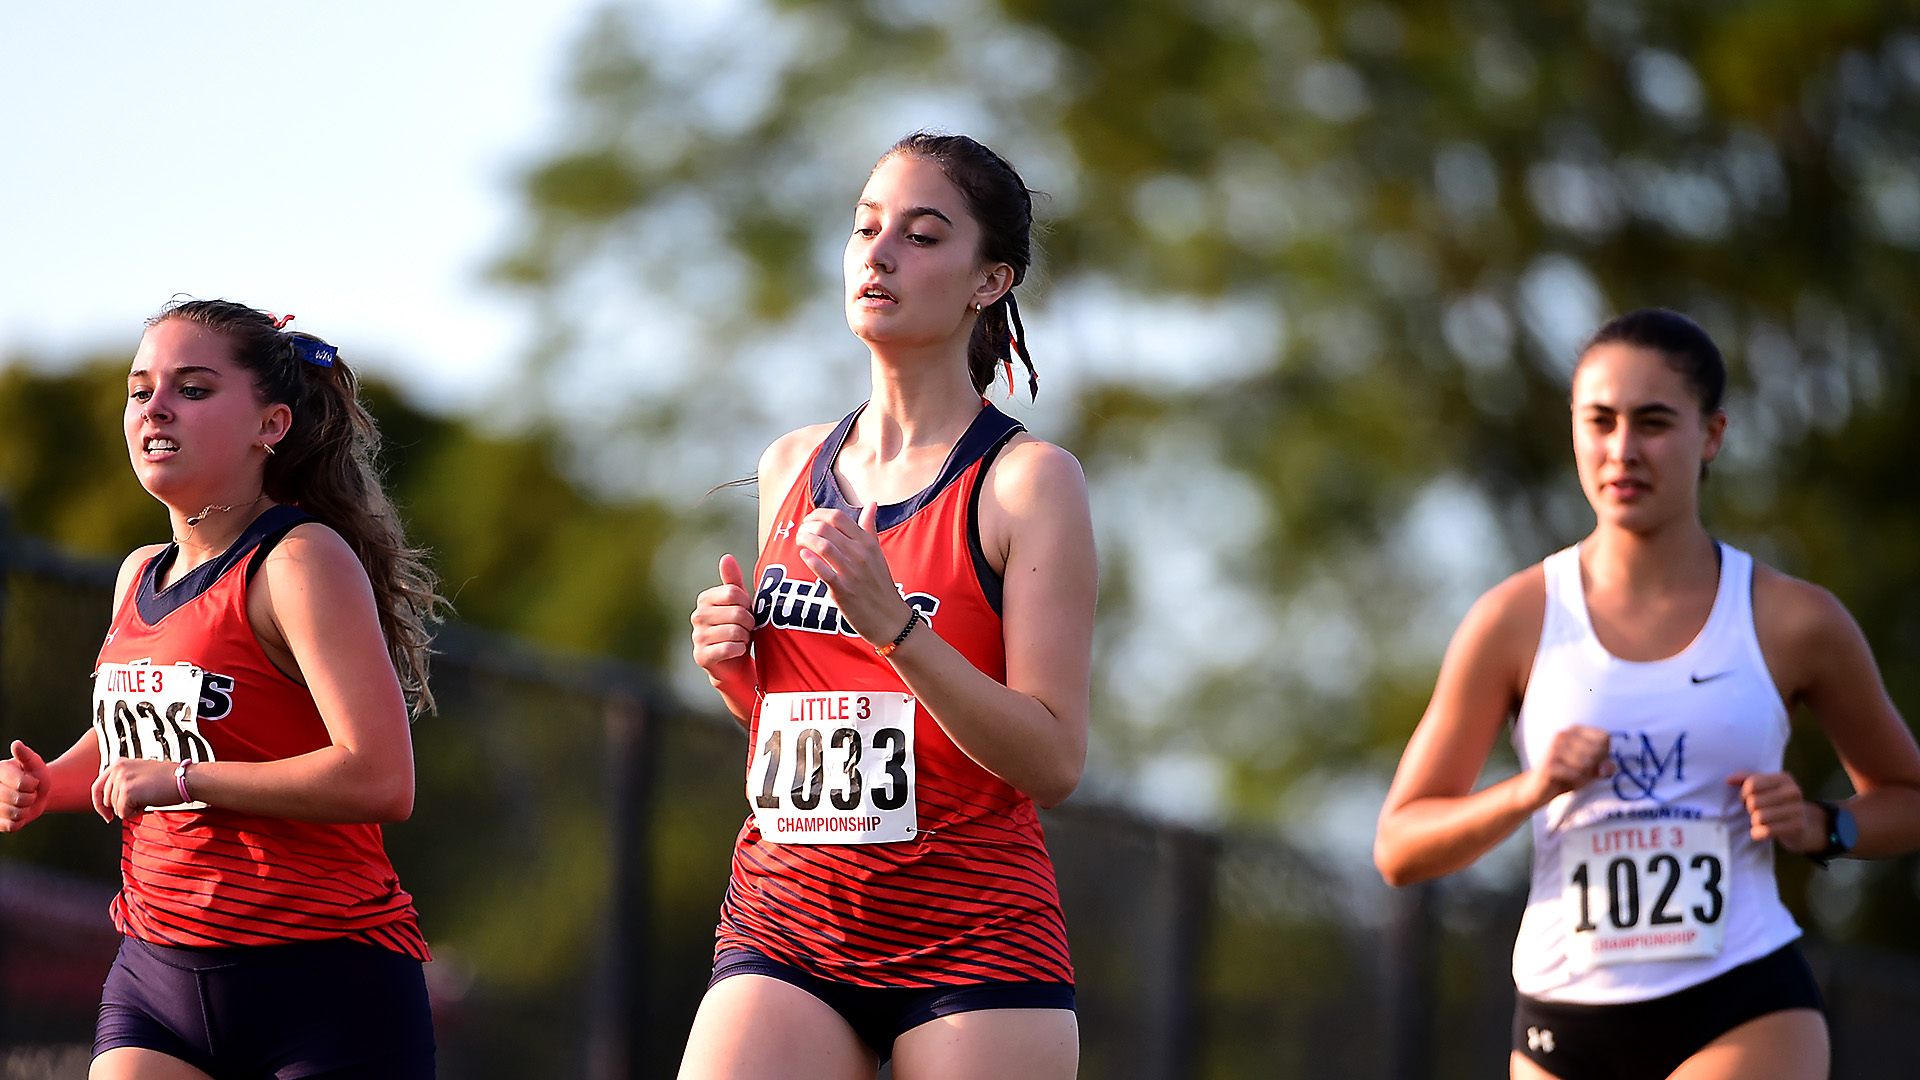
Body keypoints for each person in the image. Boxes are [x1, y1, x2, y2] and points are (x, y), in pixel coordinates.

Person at [1373, 308, 1920, 1080]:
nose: (1623, 450)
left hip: (1742, 999)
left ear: (1714, 436)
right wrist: (1531, 789)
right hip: (1563, 1018)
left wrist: (1828, 827)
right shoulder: (1513, 619)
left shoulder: (1795, 619)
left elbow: (1907, 795)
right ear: (1575, 429)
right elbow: (1400, 847)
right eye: (1600, 421)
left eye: (1655, 422)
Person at [684, 132, 1095, 1080]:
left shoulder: (1029, 483)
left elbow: (1054, 757)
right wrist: (737, 672)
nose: (879, 253)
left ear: (989, 280)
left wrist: (897, 629)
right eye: (867, 228)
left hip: (974, 947)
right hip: (785, 925)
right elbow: (816, 732)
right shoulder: (792, 465)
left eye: (920, 235)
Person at [0, 300, 440, 1080]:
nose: (156, 408)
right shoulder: (138, 573)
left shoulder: (300, 559)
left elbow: (380, 775)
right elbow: (138, 744)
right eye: (140, 391)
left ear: (270, 425)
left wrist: (182, 782)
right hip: (157, 976)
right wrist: (45, 785)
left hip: (324, 984)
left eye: (193, 389)